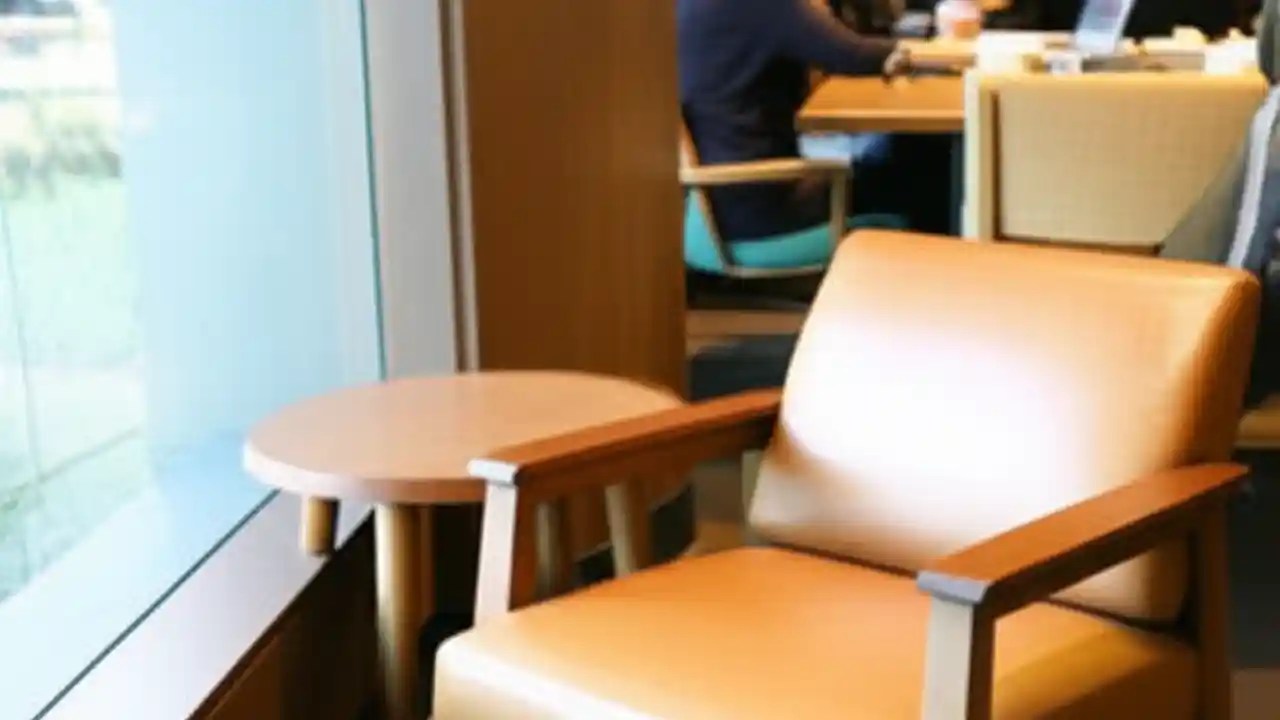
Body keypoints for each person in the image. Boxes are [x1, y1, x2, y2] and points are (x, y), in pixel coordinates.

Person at [678, 0, 953, 242]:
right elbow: (851, 55)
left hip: (712, 204)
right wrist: (918, 54)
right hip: (764, 205)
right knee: (923, 165)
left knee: (894, 153)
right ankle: (938, 286)